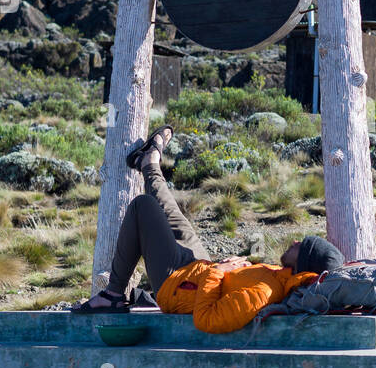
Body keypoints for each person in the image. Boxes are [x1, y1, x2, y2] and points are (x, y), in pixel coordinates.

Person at [74, 127, 344, 332]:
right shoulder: (279, 275)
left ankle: (112, 294)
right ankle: (148, 162)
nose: (295, 241)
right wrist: (226, 267)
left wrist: (218, 271)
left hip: (174, 285)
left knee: (142, 207)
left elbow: (207, 319)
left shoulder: (264, 293)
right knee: (168, 209)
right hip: (196, 267)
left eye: (302, 246)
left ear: (305, 263)